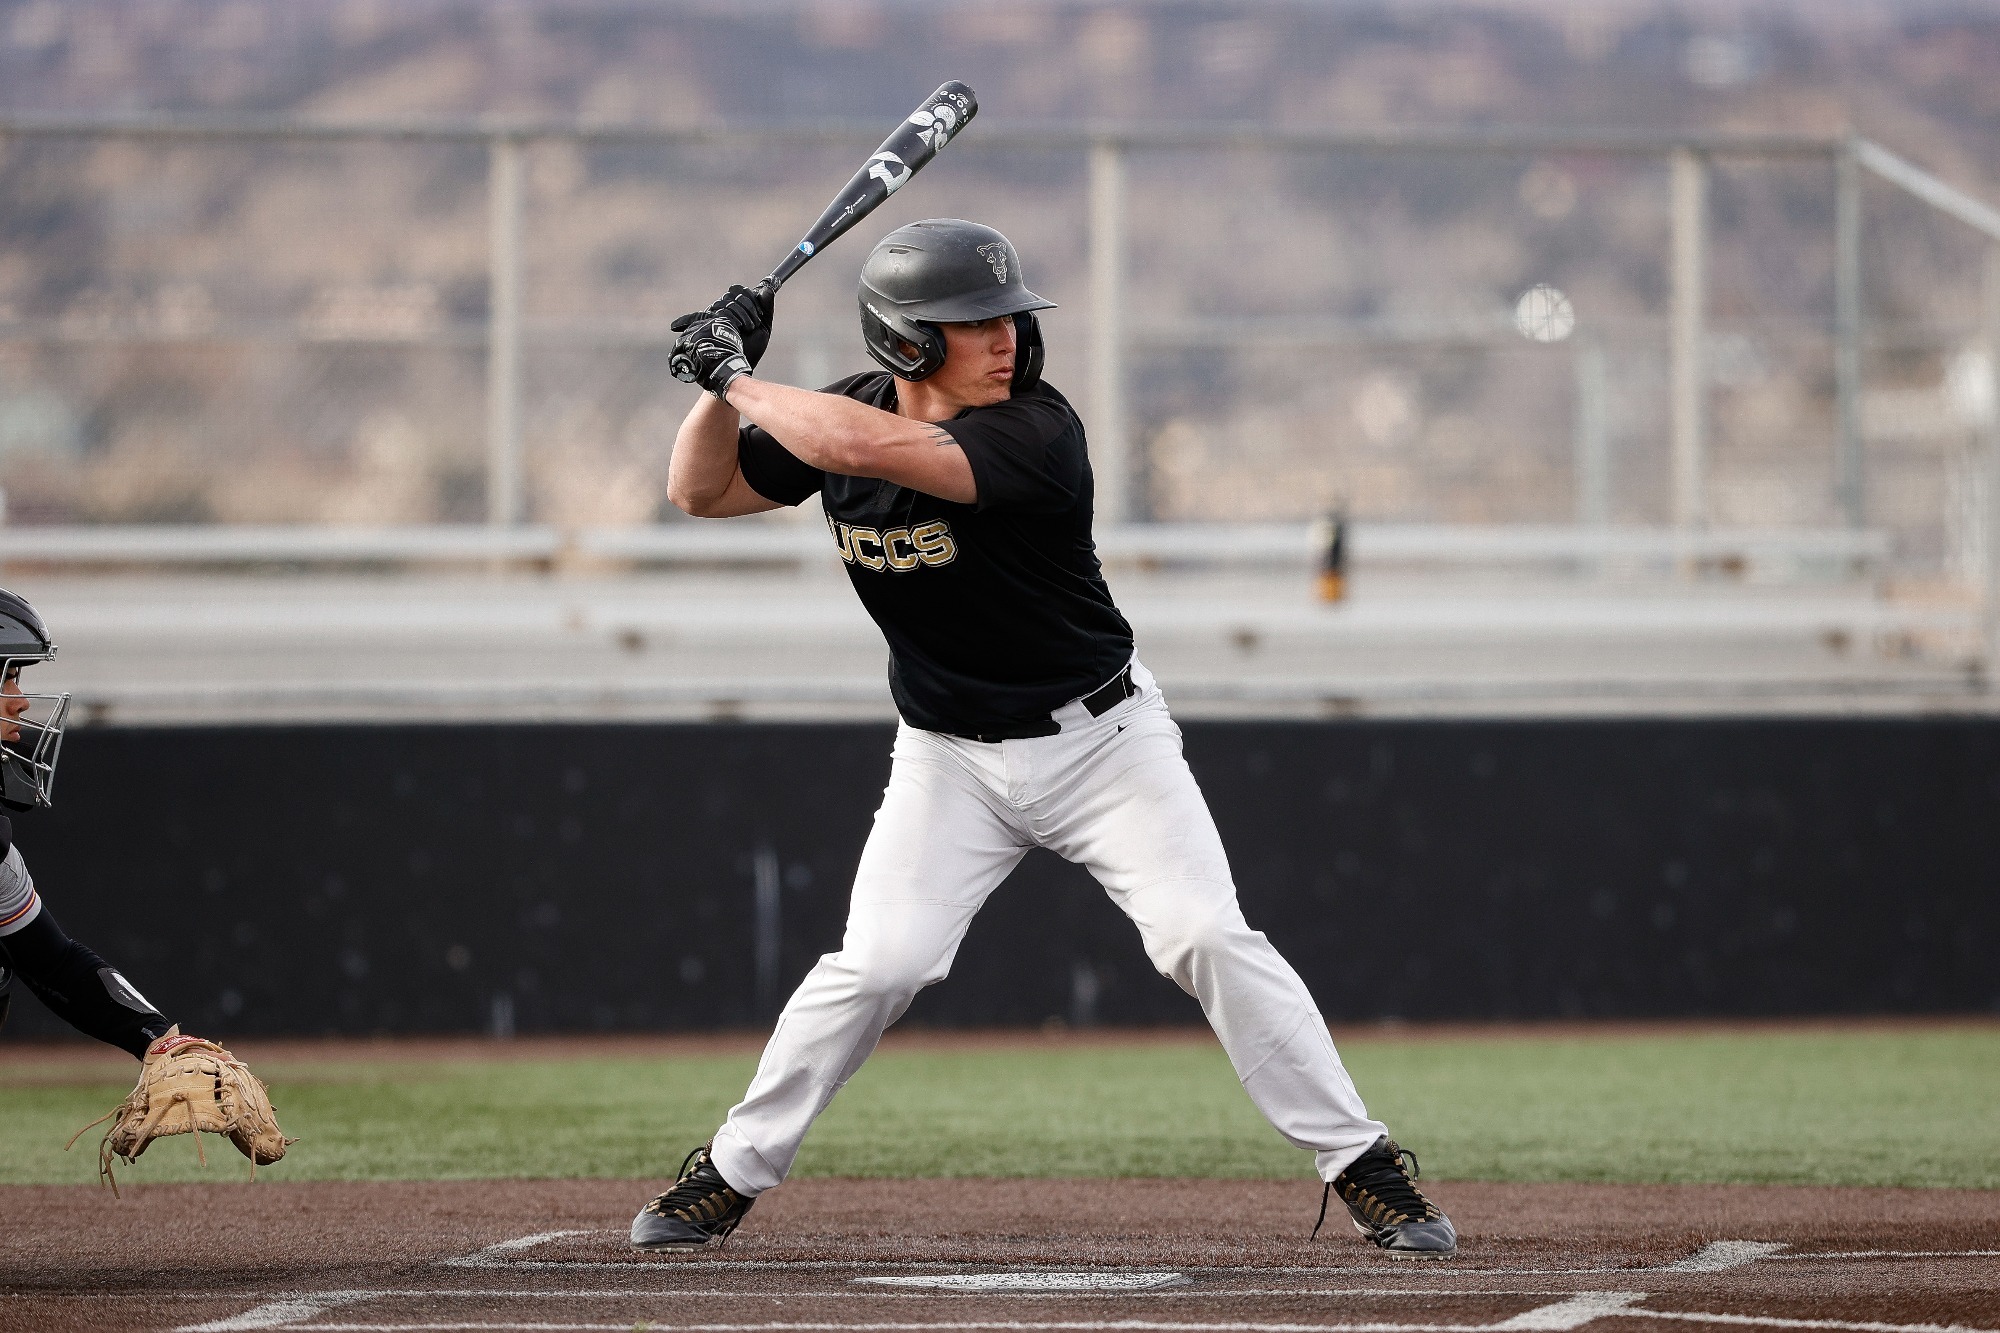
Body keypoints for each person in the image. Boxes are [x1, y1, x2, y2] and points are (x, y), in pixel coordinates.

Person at [632, 220, 1456, 1258]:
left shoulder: (1034, 434)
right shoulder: (841, 410)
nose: (1005, 338)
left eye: (1007, 316)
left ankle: (1365, 1167)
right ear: (903, 341)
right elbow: (699, 491)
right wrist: (713, 386)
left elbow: (857, 446)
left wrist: (737, 373)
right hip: (947, 758)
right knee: (878, 964)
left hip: (1103, 743)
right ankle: (730, 1171)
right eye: (971, 323)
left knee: (1203, 935)